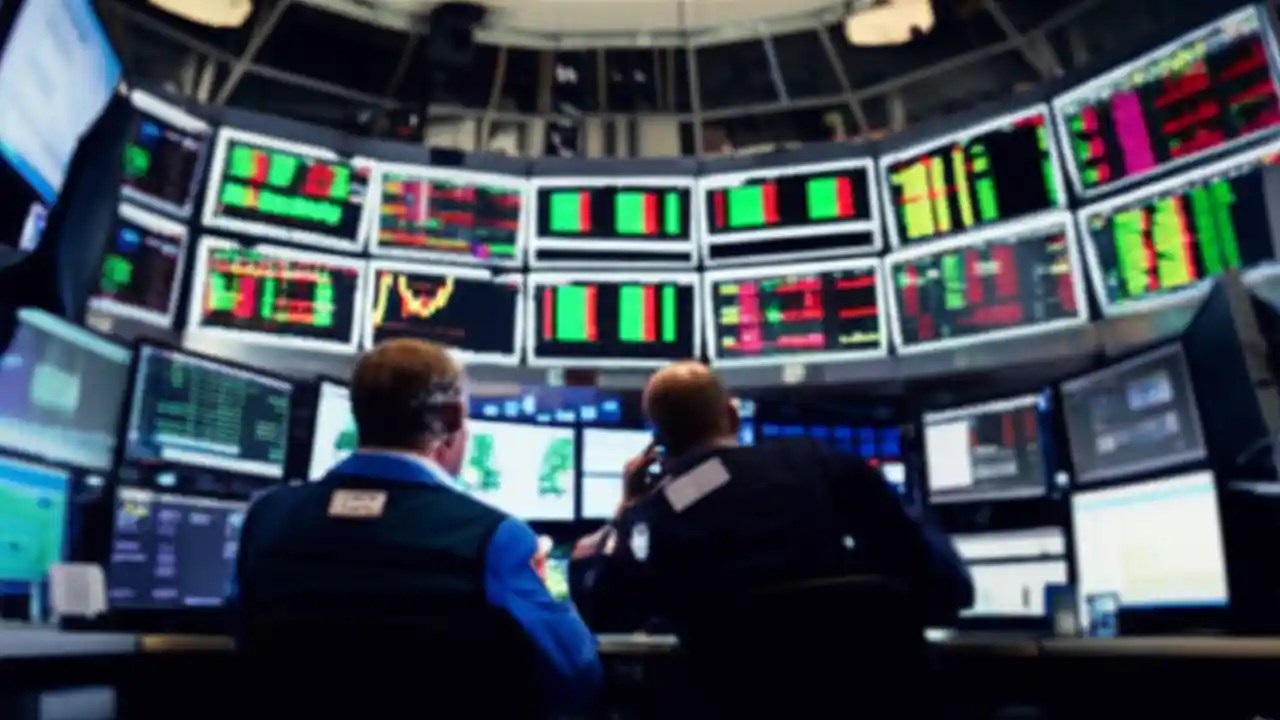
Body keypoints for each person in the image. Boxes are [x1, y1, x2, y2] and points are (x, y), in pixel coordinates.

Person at [233, 339, 602, 716]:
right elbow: (577, 674)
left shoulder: (267, 519)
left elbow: (242, 634)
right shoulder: (497, 539)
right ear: (453, 419)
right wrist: (552, 583)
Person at [571, 361, 973, 633]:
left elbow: (604, 613)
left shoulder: (663, 508)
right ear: (732, 416)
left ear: (658, 443)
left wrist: (628, 508)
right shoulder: (820, 463)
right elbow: (946, 587)